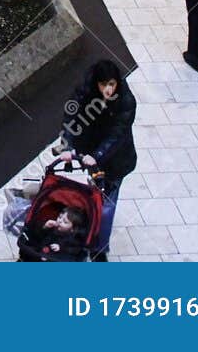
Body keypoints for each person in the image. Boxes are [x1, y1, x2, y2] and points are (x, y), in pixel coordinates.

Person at [59, 59, 137, 262]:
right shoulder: (85, 91)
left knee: (106, 205)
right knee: (95, 198)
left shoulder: (126, 101)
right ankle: (90, 232)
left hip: (116, 162)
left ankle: (99, 249)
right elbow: (71, 116)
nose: (108, 89)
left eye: (112, 84)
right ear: (96, 83)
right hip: (91, 156)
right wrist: (67, 144)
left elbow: (118, 134)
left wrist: (96, 156)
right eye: (104, 85)